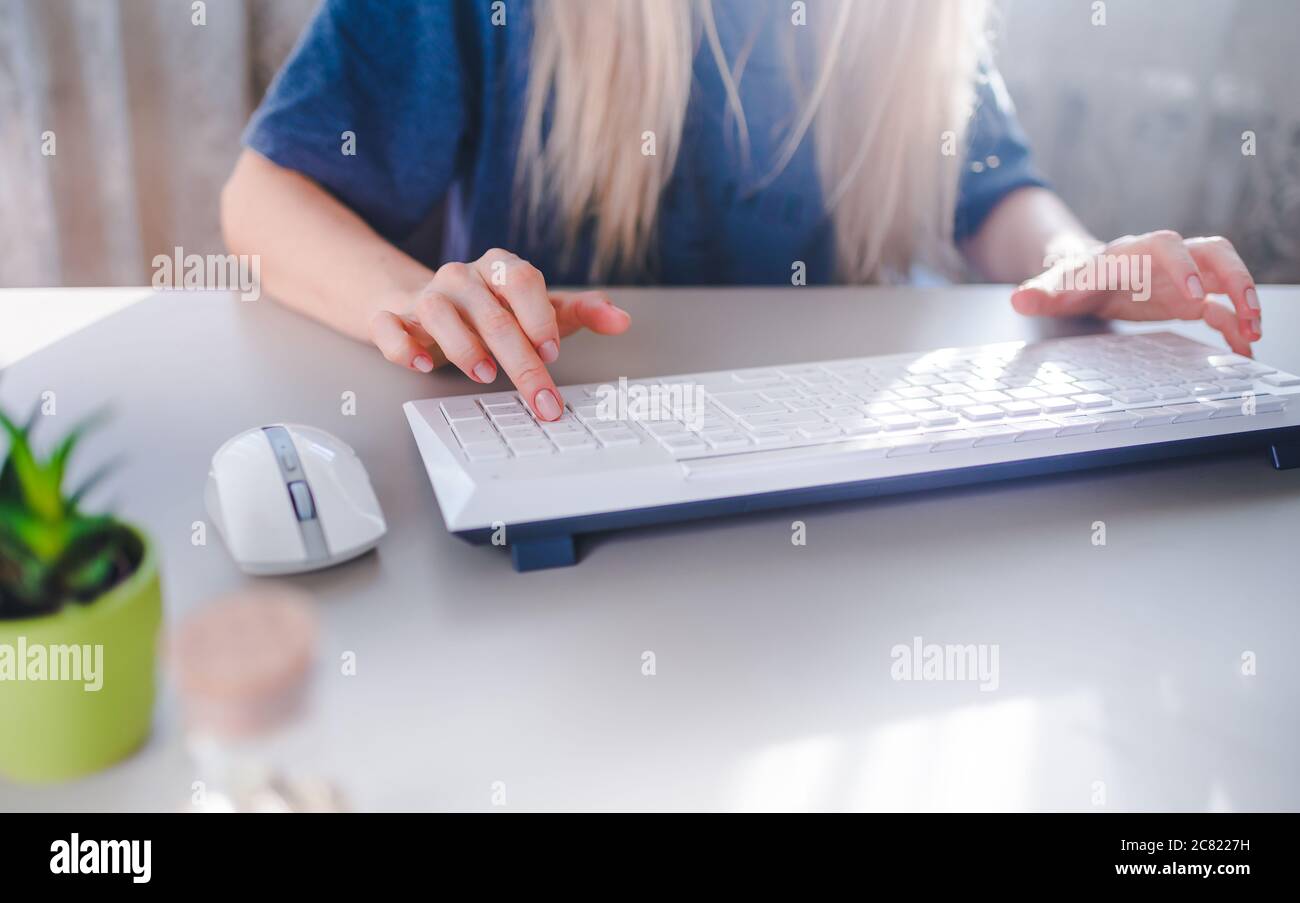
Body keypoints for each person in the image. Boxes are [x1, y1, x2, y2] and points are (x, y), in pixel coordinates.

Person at [221, 0, 1263, 422]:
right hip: (559, 433)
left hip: (852, 453)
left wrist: (1085, 260)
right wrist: (410, 296)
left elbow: (991, 201)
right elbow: (263, 196)